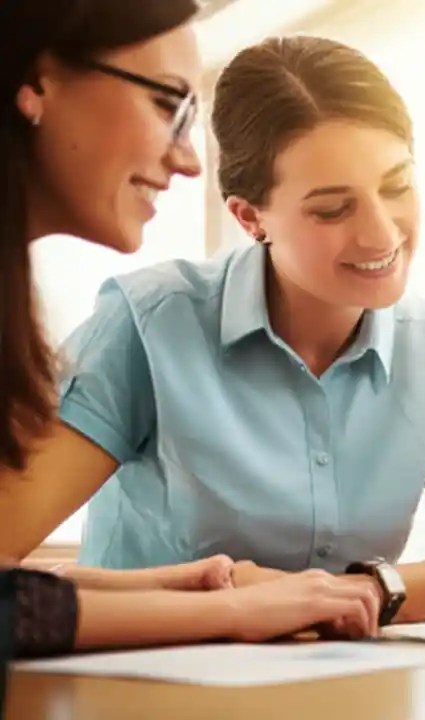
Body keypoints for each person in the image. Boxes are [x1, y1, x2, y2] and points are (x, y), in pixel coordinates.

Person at [0, 34, 425, 627]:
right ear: (250, 217)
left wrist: (349, 593)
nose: (382, 234)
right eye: (332, 209)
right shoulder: (148, 324)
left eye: (396, 186)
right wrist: (245, 606)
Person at [0, 0, 383, 671]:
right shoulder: (149, 317)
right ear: (38, 81)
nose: (186, 159)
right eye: (167, 104)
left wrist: (159, 586)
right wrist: (228, 611)